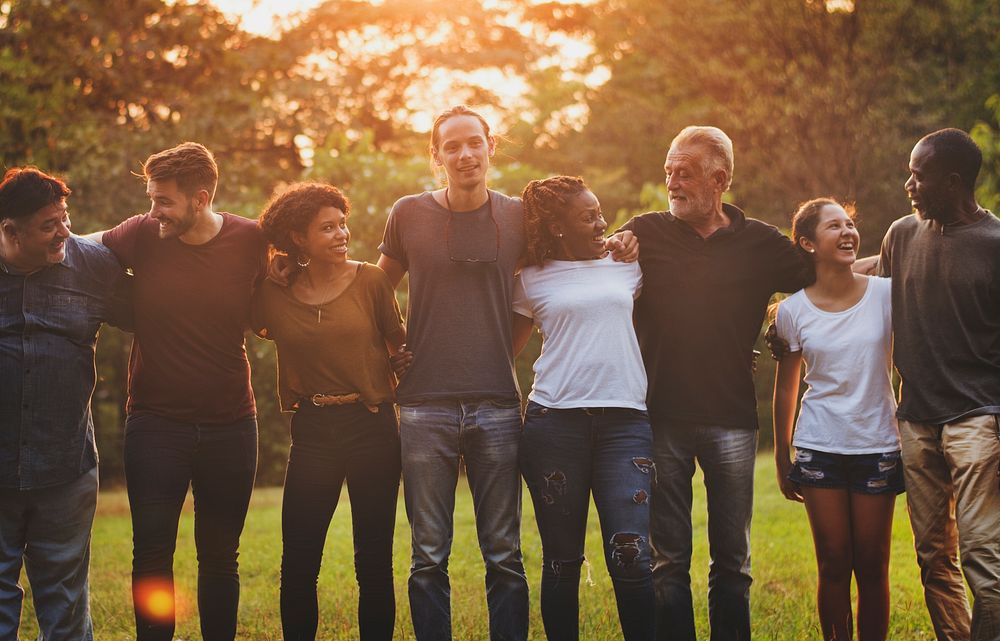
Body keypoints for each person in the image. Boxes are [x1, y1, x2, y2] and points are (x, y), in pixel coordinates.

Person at [374, 105, 637, 641]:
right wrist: (392, 346)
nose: (465, 154)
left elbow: (573, 251)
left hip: (497, 403)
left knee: (504, 553)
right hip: (424, 404)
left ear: (491, 146)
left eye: (475, 142)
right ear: (437, 155)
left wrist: (625, 241)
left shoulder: (519, 217)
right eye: (452, 146)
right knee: (428, 554)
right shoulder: (408, 213)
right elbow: (376, 290)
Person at [619, 126, 809, 641]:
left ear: (719, 179)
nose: (672, 182)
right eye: (668, 172)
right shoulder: (646, 232)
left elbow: (828, 275)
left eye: (685, 172)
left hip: (731, 419)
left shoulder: (761, 243)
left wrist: (894, 265)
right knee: (667, 562)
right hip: (660, 418)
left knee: (734, 562)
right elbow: (596, 274)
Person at [94, 142, 266, 641]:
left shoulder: (251, 239)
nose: (155, 212)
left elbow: (285, 289)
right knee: (151, 551)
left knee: (219, 556)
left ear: (201, 197)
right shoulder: (143, 234)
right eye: (152, 199)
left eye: (164, 201)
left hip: (232, 424)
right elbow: (77, 247)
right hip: (155, 424)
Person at [253, 182, 405, 641]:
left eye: (343, 224)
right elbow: (229, 276)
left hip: (371, 426)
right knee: (298, 559)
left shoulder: (372, 281)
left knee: (373, 560)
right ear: (298, 239)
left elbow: (400, 345)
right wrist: (270, 263)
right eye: (327, 228)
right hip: (313, 429)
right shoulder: (273, 292)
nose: (342, 234)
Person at [512, 176, 654, 641]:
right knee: (561, 560)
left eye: (600, 213)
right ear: (556, 227)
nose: (601, 222)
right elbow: (504, 353)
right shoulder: (529, 278)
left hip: (626, 423)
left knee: (631, 554)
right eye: (587, 216)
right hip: (554, 424)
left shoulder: (626, 264)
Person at [877, 129, 1000, 641]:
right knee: (933, 557)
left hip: (977, 418)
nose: (909, 183)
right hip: (917, 420)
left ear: (952, 182)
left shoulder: (995, 245)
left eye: (918, 175)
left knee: (983, 556)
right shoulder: (901, 235)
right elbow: (867, 293)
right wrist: (788, 315)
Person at [0, 167, 127, 640]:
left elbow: (160, 309)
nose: (64, 232)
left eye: (65, 218)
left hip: (64, 465)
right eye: (48, 225)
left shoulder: (93, 266)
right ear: (10, 230)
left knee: (66, 602)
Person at [771, 198, 902, 641]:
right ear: (808, 243)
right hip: (819, 445)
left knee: (871, 564)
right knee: (832, 561)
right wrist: (781, 455)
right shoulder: (792, 311)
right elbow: (787, 386)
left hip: (878, 444)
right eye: (834, 227)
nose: (847, 232)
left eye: (850, 224)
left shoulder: (886, 294)